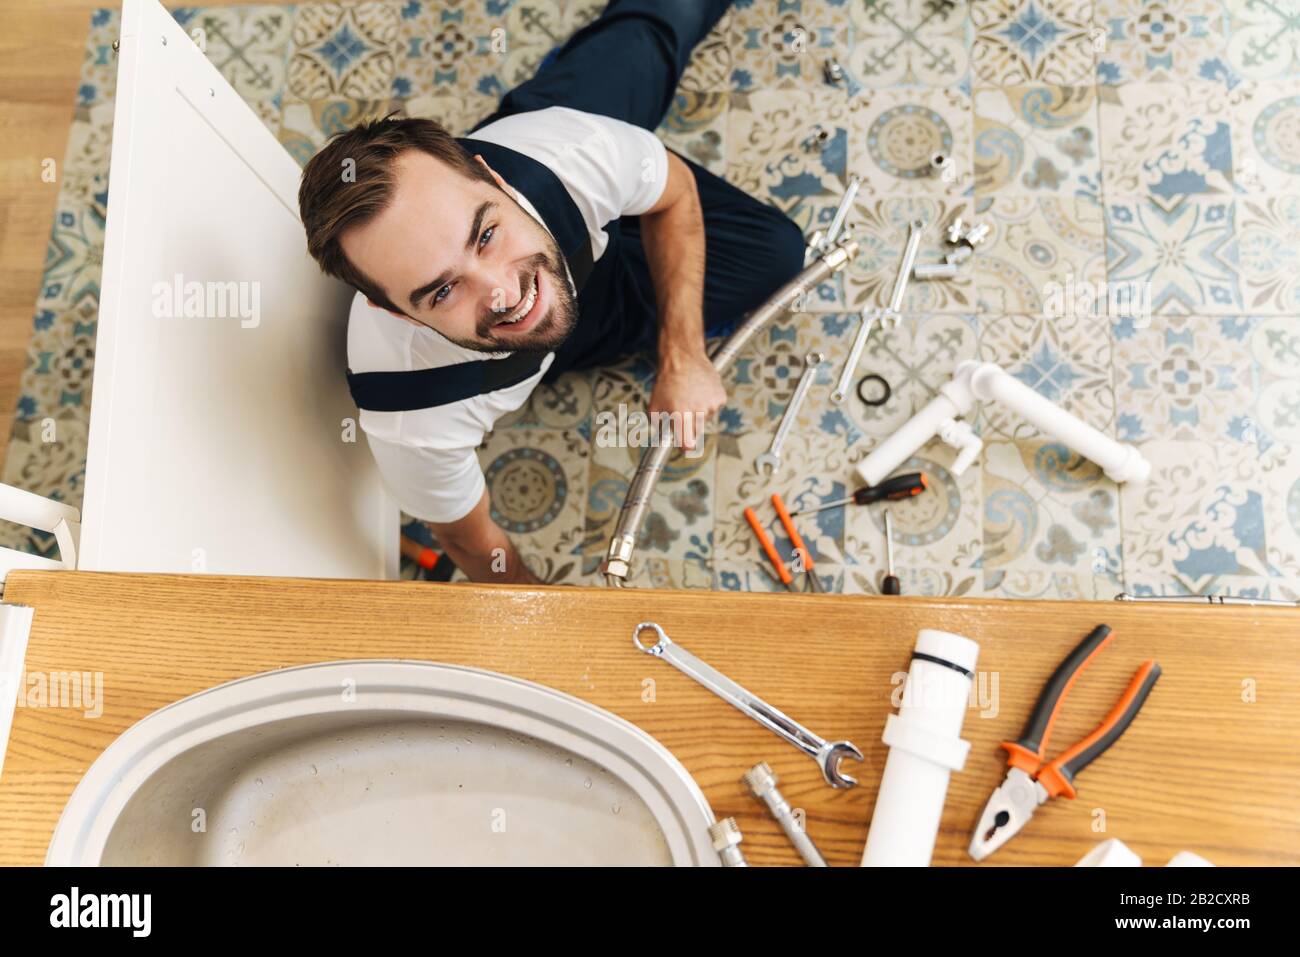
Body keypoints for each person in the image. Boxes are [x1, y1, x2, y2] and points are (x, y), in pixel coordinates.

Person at [297, 0, 806, 583]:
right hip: (573, 292)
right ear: (397, 313)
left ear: (494, 179)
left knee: (656, 33)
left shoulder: (569, 152)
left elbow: (676, 192)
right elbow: (473, 544)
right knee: (774, 260)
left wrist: (682, 353)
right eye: (440, 291)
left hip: (562, 169)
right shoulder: (415, 420)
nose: (501, 292)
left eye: (484, 234)